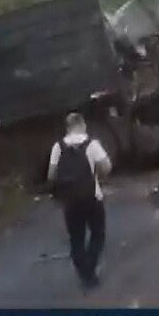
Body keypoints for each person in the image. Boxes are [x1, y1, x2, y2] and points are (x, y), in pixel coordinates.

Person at [48, 113, 112, 289]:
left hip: (70, 201)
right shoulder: (92, 144)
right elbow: (107, 167)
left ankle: (84, 272)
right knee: (98, 234)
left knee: (76, 237)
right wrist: (97, 174)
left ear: (67, 127)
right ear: (82, 124)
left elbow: (51, 175)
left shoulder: (58, 147)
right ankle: (89, 271)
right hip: (92, 197)